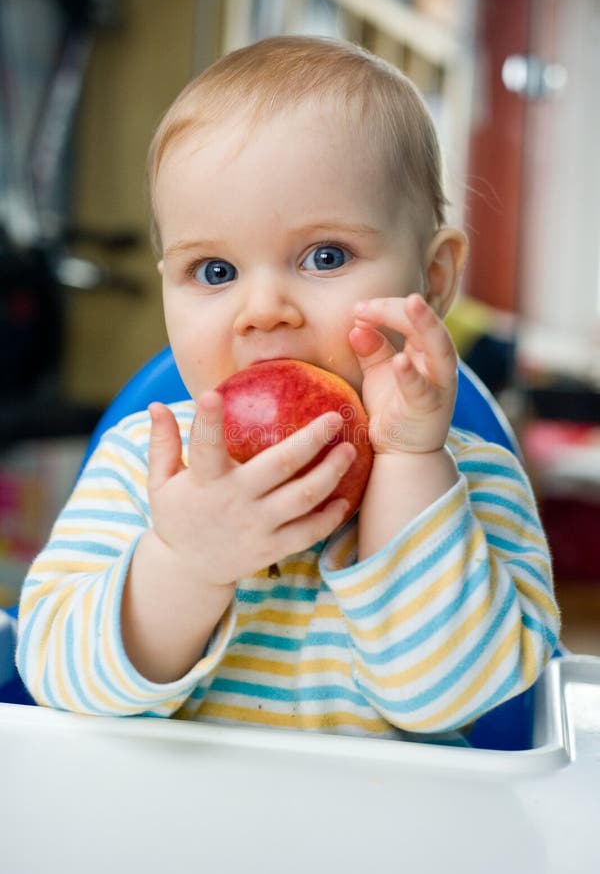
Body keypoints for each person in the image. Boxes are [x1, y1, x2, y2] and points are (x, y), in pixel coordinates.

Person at [16, 36, 559, 742]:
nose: (263, 308)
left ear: (433, 278)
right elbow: (51, 678)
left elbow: (460, 699)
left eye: (325, 256)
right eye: (213, 271)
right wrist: (186, 562)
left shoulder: (476, 482)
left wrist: (407, 468)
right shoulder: (143, 471)